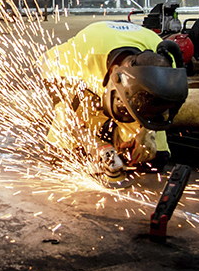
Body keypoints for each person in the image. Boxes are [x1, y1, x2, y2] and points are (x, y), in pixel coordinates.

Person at [38, 20, 188, 186]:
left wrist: (147, 133)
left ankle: (120, 134)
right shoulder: (85, 54)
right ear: (113, 74)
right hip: (78, 78)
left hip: (125, 82)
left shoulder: (165, 65)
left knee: (155, 160)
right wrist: (94, 144)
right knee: (61, 155)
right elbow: (48, 68)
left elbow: (159, 109)